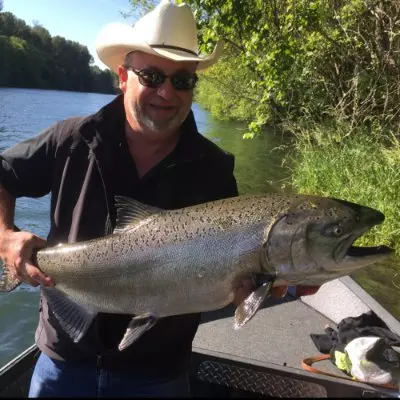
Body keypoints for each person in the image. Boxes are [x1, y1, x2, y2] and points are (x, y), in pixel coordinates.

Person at [0, 0, 318, 397]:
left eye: (182, 80)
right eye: (151, 75)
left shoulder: (214, 169)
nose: (166, 92)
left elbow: (232, 281)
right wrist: (5, 236)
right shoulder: (70, 139)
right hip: (62, 365)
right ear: (122, 76)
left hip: (158, 375)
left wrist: (263, 284)